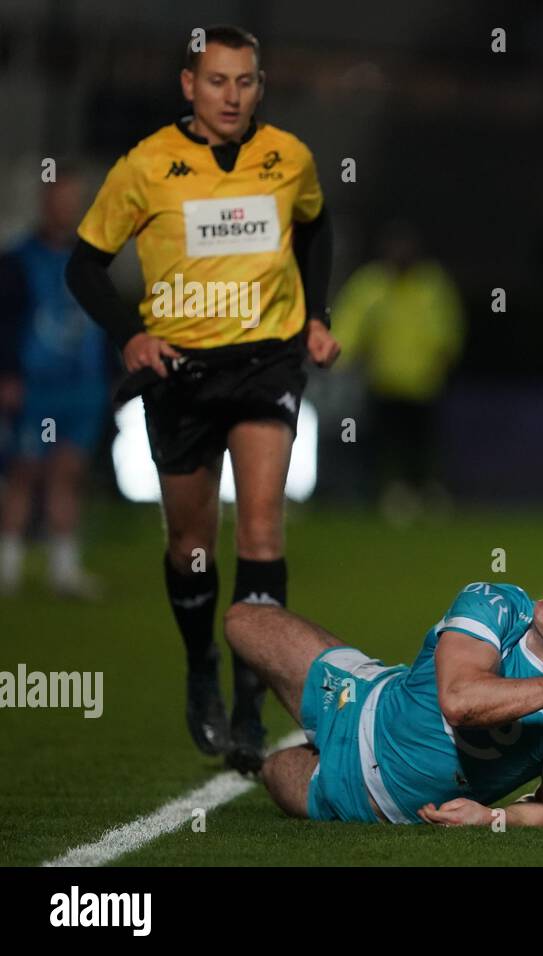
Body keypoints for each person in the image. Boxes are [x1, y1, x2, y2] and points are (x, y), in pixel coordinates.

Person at [65, 24, 339, 772]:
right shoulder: (147, 165)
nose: (233, 95)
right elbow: (85, 266)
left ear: (260, 85)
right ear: (189, 85)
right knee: (190, 547)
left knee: (260, 531)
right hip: (181, 372)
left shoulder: (289, 157)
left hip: (266, 364)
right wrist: (131, 335)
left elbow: (316, 230)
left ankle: (252, 703)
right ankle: (200, 670)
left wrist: (318, 317)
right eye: (217, 81)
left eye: (246, 81)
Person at [224, 572, 543, 825]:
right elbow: (459, 700)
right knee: (243, 621)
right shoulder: (496, 603)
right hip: (362, 697)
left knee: (274, 768)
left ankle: (293, 750)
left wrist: (493, 819)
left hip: (363, 795)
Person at [0, 172, 110, 599]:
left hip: (82, 389)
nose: (65, 207)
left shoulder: (93, 260)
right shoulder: (17, 261)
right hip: (35, 387)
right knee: (25, 471)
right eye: (58, 198)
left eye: (72, 199)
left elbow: (106, 320)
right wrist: (7, 374)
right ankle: (8, 565)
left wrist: (113, 378)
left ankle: (63, 567)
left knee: (69, 472)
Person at [330, 220, 465, 520]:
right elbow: (350, 323)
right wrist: (339, 356)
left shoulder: (431, 284)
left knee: (422, 443)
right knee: (386, 443)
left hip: (424, 384)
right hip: (384, 382)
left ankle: (427, 493)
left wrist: (444, 356)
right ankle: (394, 495)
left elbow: (448, 326)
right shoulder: (371, 285)